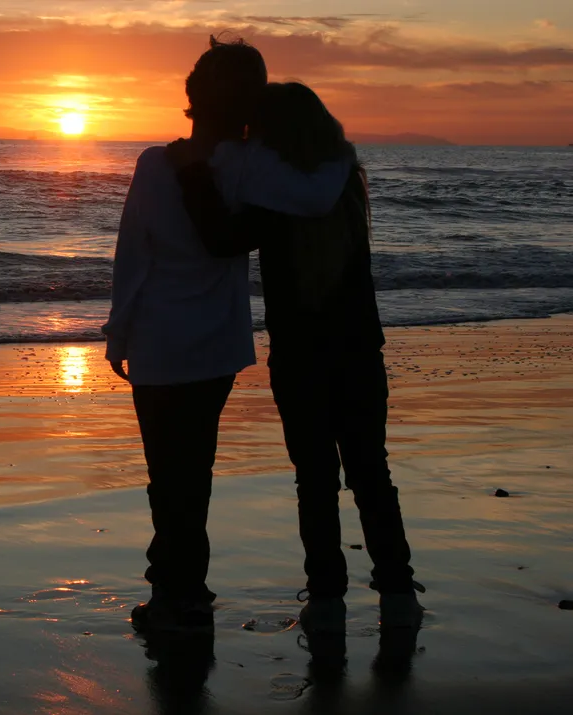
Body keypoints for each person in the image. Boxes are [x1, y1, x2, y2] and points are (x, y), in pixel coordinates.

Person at [102, 39, 353, 633]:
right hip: (213, 343)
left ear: (192, 96)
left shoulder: (155, 163)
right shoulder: (249, 163)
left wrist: (118, 334)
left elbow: (131, 259)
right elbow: (318, 195)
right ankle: (183, 591)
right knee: (194, 470)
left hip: (161, 341)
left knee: (168, 473)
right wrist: (344, 153)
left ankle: (176, 593)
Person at [166, 81, 424, 635]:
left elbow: (220, 238)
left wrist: (191, 171)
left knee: (315, 477)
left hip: (301, 354)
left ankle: (327, 596)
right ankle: (398, 588)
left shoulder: (272, 197)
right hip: (358, 348)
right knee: (370, 470)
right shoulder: (346, 181)